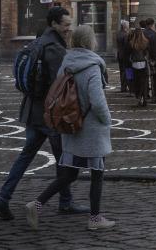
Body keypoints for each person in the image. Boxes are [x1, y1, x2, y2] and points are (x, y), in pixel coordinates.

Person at [0, 5, 84, 220]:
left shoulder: (36, 43)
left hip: (31, 111)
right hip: (49, 115)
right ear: (53, 24)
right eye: (65, 25)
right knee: (64, 159)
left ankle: (3, 198)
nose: (68, 29)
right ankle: (65, 202)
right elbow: (59, 85)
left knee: (26, 157)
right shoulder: (54, 48)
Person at [24, 23, 115, 231]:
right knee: (97, 173)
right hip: (91, 129)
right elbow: (98, 101)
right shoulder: (92, 66)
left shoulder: (67, 62)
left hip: (71, 126)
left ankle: (36, 205)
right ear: (90, 41)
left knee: (68, 174)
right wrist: (107, 120)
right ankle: (95, 218)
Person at [126, 21, 151, 106]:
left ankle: (139, 98)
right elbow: (147, 52)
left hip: (135, 64)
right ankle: (144, 98)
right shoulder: (145, 42)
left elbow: (129, 53)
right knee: (144, 83)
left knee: (137, 83)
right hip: (143, 64)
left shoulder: (131, 43)